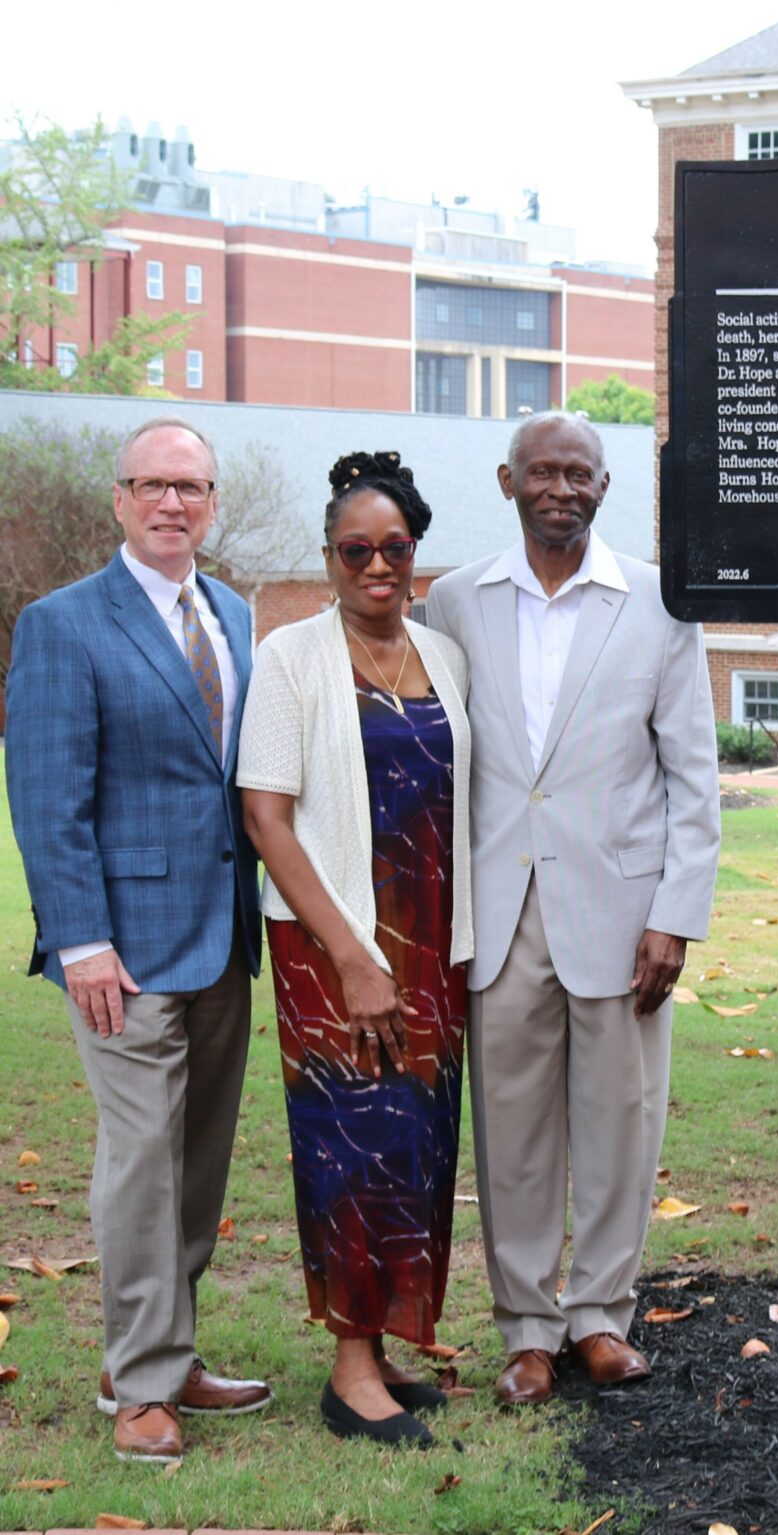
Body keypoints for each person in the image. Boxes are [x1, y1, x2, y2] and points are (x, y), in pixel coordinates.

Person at [415, 412, 720, 1406]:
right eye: (544, 470)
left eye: (580, 472)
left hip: (625, 915)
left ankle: (600, 1316)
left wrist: (675, 913)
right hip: (497, 911)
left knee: (621, 1123)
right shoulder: (455, 601)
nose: (562, 486)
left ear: (603, 484)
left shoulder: (659, 607)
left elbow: (693, 779)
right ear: (508, 480)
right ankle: (525, 1330)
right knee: (511, 1130)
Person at [5, 416, 270, 1464]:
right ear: (119, 499)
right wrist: (79, 942)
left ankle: (157, 1347)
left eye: (191, 487)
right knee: (139, 1160)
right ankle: (145, 1387)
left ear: (212, 502)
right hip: (122, 946)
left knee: (198, 1158)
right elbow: (46, 797)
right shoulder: (64, 623)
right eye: (152, 484)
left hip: (225, 937)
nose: (172, 503)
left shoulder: (237, 616)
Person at [238, 451, 472, 1446]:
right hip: (333, 949)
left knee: (416, 1144)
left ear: (415, 550)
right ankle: (347, 1370)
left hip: (431, 940)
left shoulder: (443, 655)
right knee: (350, 1146)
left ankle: (380, 1346)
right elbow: (265, 814)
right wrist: (353, 953)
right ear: (329, 558)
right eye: (354, 550)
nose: (375, 564)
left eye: (393, 547)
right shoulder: (292, 656)